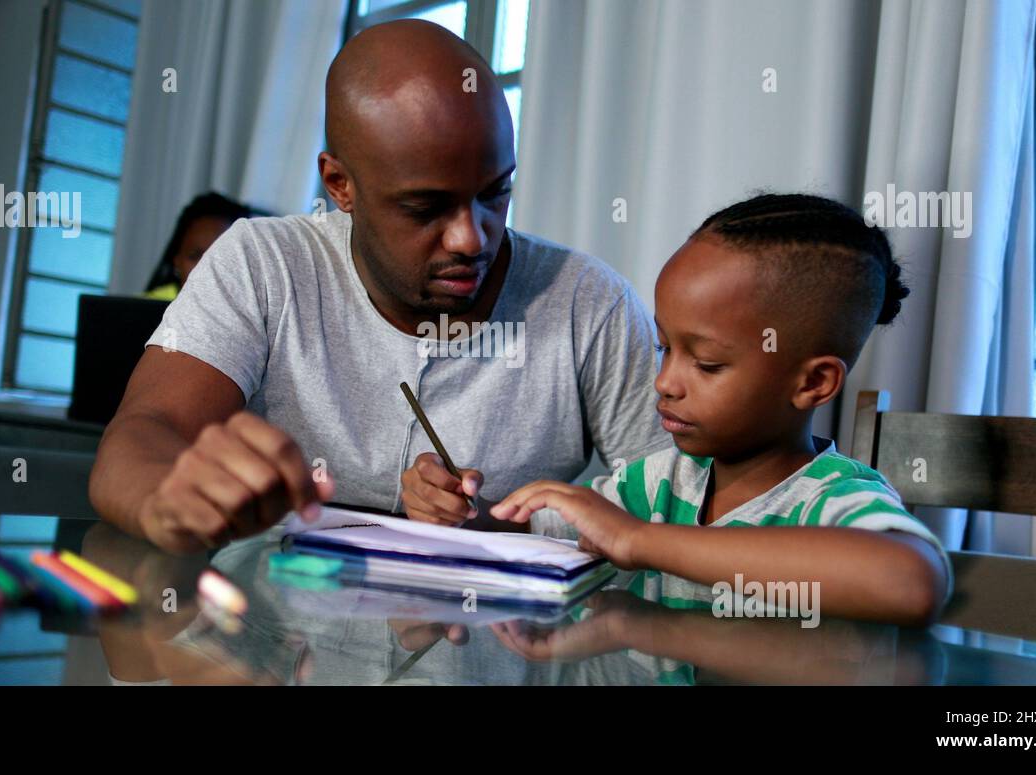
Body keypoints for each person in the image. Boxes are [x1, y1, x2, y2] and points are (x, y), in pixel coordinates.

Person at [89, 20, 665, 554]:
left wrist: (514, 519)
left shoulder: (589, 303)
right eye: (425, 207)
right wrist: (167, 503)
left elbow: (686, 495)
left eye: (495, 193)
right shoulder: (263, 265)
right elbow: (144, 433)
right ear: (340, 185)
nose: (471, 237)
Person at [489, 193, 951, 625]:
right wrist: (464, 509)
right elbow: (527, 529)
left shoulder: (831, 498)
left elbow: (910, 584)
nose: (665, 382)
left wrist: (639, 541)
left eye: (707, 364)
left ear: (812, 382)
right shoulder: (656, 484)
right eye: (664, 348)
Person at [143, 192, 261, 301]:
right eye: (195, 256)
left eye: (221, 258)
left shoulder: (258, 316)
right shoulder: (136, 313)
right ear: (177, 260)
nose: (205, 268)